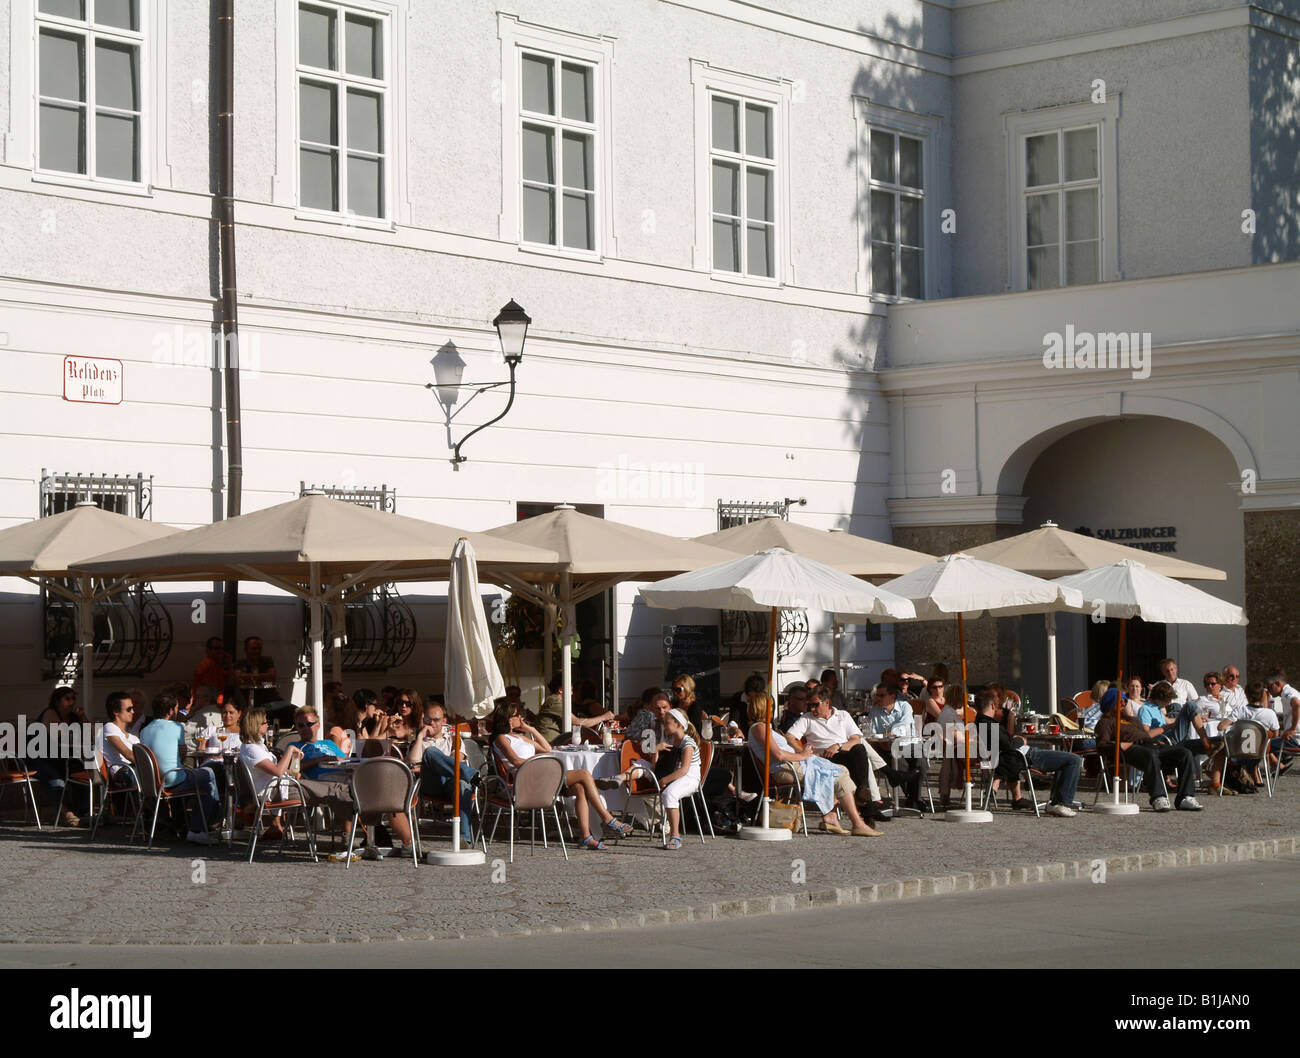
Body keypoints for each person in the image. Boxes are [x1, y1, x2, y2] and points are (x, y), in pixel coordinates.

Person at [491, 702, 633, 850]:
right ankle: (607, 818)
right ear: (508, 718)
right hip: (527, 782)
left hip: (540, 776)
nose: (521, 717)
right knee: (584, 774)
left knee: (579, 788)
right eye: (517, 715)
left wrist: (531, 729)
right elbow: (516, 761)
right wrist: (539, 760)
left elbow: (547, 748)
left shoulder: (519, 737)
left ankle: (585, 837)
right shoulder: (501, 738)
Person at [745, 696, 880, 836]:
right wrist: (802, 755)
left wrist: (803, 754)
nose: (773, 710)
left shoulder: (764, 727)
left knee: (841, 769)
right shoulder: (760, 728)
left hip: (792, 764)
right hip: (784, 768)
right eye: (771, 706)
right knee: (837, 774)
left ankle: (831, 815)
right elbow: (778, 755)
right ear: (765, 708)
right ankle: (857, 822)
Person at [788, 686, 906, 822]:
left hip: (844, 752)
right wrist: (802, 752)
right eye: (810, 705)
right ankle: (869, 801)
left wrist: (837, 746)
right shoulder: (806, 719)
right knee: (861, 756)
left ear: (827, 703)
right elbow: (789, 736)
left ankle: (865, 800)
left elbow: (855, 738)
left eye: (815, 705)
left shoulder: (842, 715)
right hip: (825, 759)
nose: (812, 709)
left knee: (860, 749)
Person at [973, 689, 1082, 817]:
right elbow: (1009, 745)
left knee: (1065, 760)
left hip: (1018, 756)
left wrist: (1015, 740)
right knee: (1074, 759)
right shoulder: (989, 725)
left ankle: (1056, 802)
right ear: (992, 706)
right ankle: (1061, 803)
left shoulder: (981, 723)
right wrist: (1020, 739)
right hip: (1025, 757)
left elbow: (1005, 743)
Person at [1093, 688, 1201, 811]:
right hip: (1131, 749)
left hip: (1152, 745)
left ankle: (1185, 797)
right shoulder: (1105, 722)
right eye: (1120, 701)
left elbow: (1145, 734)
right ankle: (1158, 797)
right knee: (1150, 755)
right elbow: (1101, 746)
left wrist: (1157, 741)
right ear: (1111, 704)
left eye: (1124, 701)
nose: (1124, 703)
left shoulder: (1132, 720)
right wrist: (1120, 745)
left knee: (1185, 753)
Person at [139, 691, 222, 845]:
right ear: (170, 711)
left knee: (203, 781)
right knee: (209, 774)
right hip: (172, 779)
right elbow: (183, 753)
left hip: (152, 782)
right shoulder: (177, 727)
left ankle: (202, 823)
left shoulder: (144, 730)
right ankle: (204, 825)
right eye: (177, 708)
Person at [407, 701, 478, 846]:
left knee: (462, 785)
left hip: (452, 782)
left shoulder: (453, 739)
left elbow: (458, 759)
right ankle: (472, 775)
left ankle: (464, 838)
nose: (431, 723)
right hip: (430, 784)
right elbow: (413, 765)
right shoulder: (418, 742)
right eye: (428, 720)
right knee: (430, 752)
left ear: (444, 721)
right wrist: (420, 737)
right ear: (423, 720)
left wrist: (433, 764)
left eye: (436, 720)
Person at [238, 705, 303, 841]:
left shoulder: (258, 746)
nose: (268, 725)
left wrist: (291, 769)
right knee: (315, 792)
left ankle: (275, 826)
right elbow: (278, 772)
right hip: (271, 792)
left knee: (310, 784)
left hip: (274, 788)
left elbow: (276, 771)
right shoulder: (251, 749)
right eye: (265, 722)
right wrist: (290, 750)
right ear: (255, 725)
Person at [32, 686, 90, 826]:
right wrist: (79, 739)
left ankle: (83, 811)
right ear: (57, 702)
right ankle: (66, 813)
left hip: (61, 757)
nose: (72, 702)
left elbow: (90, 732)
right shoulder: (50, 713)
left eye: (73, 698)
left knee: (80, 771)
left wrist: (82, 716)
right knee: (56, 779)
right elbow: (58, 735)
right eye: (67, 699)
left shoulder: (74, 717)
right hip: (39, 757)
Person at [865, 684, 929, 808]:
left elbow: (903, 727)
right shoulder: (874, 710)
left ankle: (914, 798)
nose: (878, 698)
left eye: (882, 695)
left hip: (909, 744)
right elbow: (871, 732)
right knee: (899, 764)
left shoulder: (905, 706)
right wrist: (883, 739)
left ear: (893, 696)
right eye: (876, 695)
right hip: (885, 747)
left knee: (921, 763)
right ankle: (915, 799)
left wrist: (887, 735)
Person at [653, 709, 701, 850]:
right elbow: (660, 765)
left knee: (669, 793)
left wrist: (664, 780)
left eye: (667, 723)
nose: (664, 726)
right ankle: (618, 779)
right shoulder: (671, 741)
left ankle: (675, 835)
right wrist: (655, 751)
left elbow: (684, 769)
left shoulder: (688, 743)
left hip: (690, 777)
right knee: (643, 767)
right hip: (676, 774)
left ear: (678, 724)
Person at [285, 706, 348, 780]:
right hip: (321, 784)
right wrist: (318, 760)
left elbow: (345, 760)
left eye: (309, 724)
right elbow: (289, 769)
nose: (305, 728)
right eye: (301, 725)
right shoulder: (294, 746)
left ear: (318, 725)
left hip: (344, 779)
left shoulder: (329, 743)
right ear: (297, 727)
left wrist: (336, 758)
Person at [234, 635, 279, 707]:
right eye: (254, 649)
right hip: (245, 702)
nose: (257, 651)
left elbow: (272, 677)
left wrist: (247, 678)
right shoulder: (240, 663)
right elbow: (238, 679)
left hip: (267, 701)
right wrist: (263, 678)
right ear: (246, 650)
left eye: (259, 649)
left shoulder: (267, 661)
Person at [192, 636, 231, 702]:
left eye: (222, 648)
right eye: (217, 648)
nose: (220, 651)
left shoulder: (218, 664)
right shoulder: (207, 664)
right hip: (209, 703)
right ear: (208, 650)